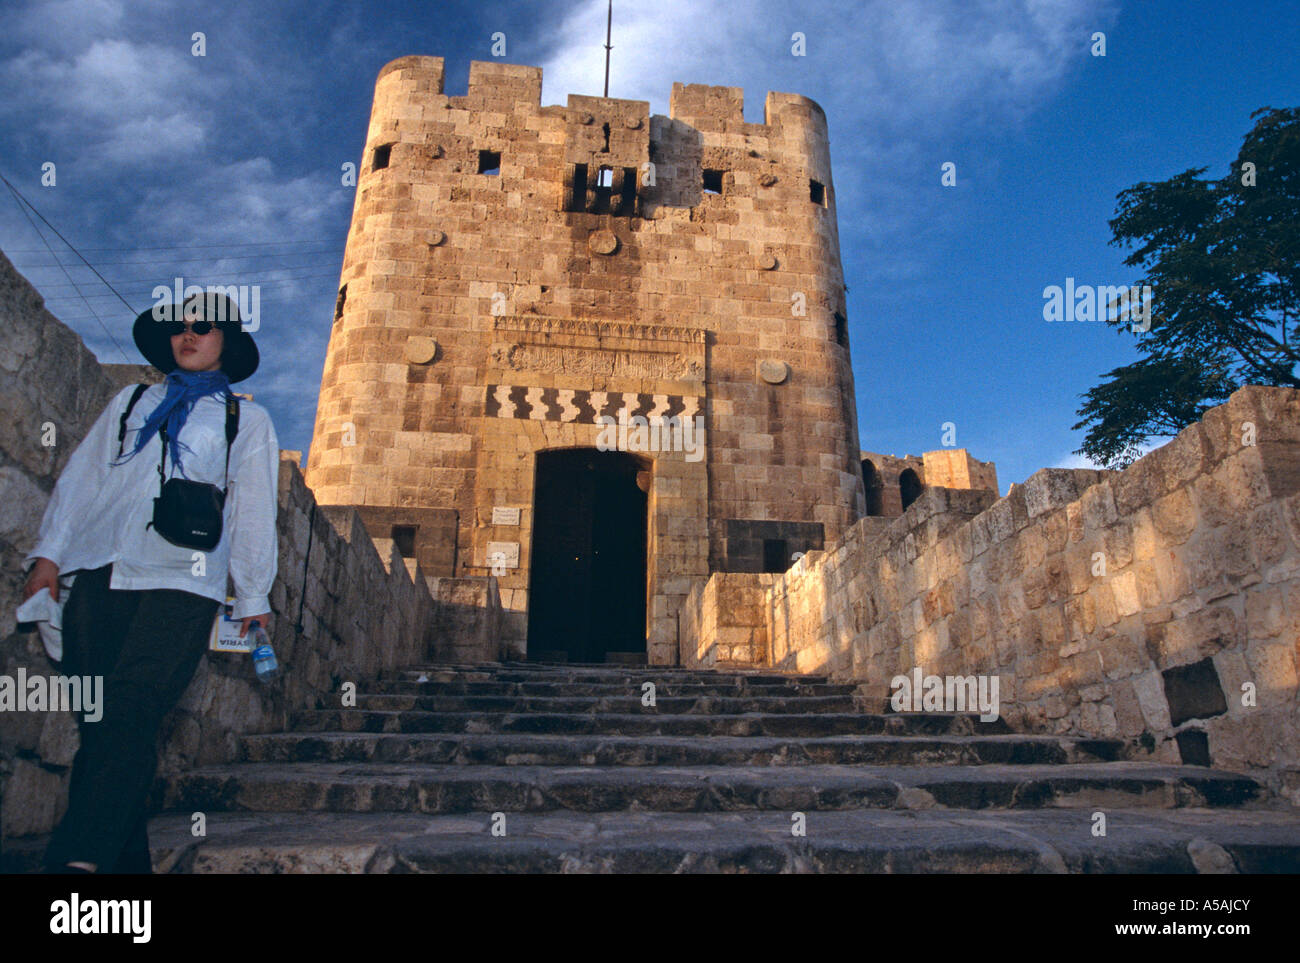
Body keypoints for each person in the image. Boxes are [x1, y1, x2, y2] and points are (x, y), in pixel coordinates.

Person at [20, 291, 280, 874]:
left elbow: (253, 510)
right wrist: (49, 555)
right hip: (100, 569)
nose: (188, 335)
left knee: (132, 709)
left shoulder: (245, 419)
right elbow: (83, 479)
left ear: (226, 342)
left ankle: (78, 859)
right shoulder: (130, 401)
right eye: (178, 327)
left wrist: (254, 595)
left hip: (182, 581)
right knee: (103, 723)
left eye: (203, 327)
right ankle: (125, 871)